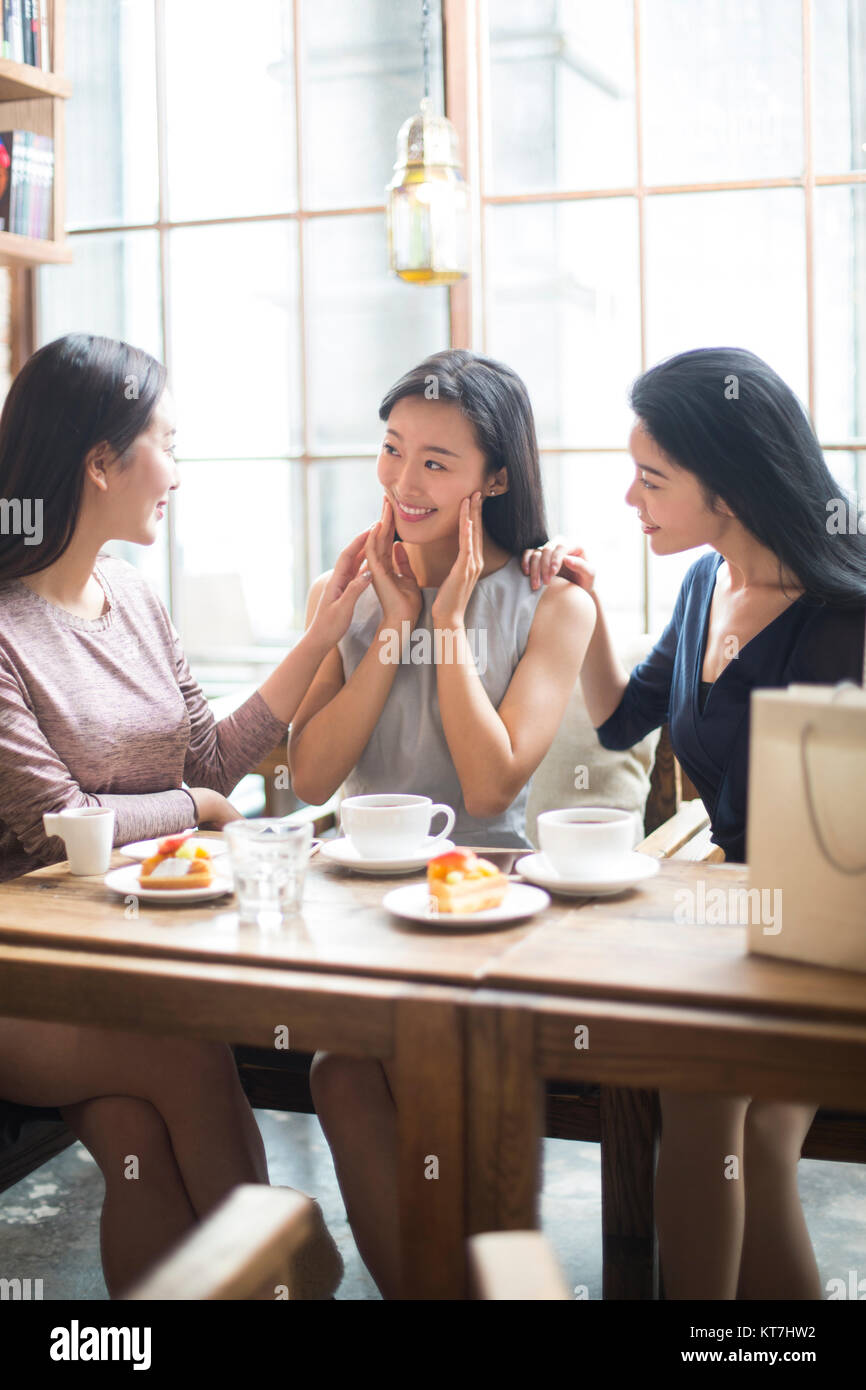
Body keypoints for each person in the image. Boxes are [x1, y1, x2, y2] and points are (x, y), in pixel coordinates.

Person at [0, 332, 369, 1294]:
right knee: (186, 1055)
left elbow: (209, 757)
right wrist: (193, 808)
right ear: (100, 462)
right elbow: (60, 825)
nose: (178, 472)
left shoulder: (133, 595)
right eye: (168, 442)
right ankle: (304, 1277)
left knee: (134, 1136)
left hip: (120, 959)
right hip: (24, 979)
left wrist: (324, 634)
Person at [523, 346, 866, 1299]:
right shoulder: (704, 583)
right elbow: (619, 717)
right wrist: (583, 607)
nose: (633, 500)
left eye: (652, 479)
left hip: (839, 929)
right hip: (740, 911)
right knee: (697, 1096)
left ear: (732, 485)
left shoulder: (845, 615)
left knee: (747, 1130)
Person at [289, 348, 596, 1295]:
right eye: (393, 450)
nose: (403, 481)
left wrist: (450, 614)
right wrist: (389, 624)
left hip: (490, 907)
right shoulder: (345, 592)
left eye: (437, 461)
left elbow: (493, 787)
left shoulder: (556, 601)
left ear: (494, 477)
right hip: (361, 901)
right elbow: (309, 778)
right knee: (340, 1074)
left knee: (442, 1083)